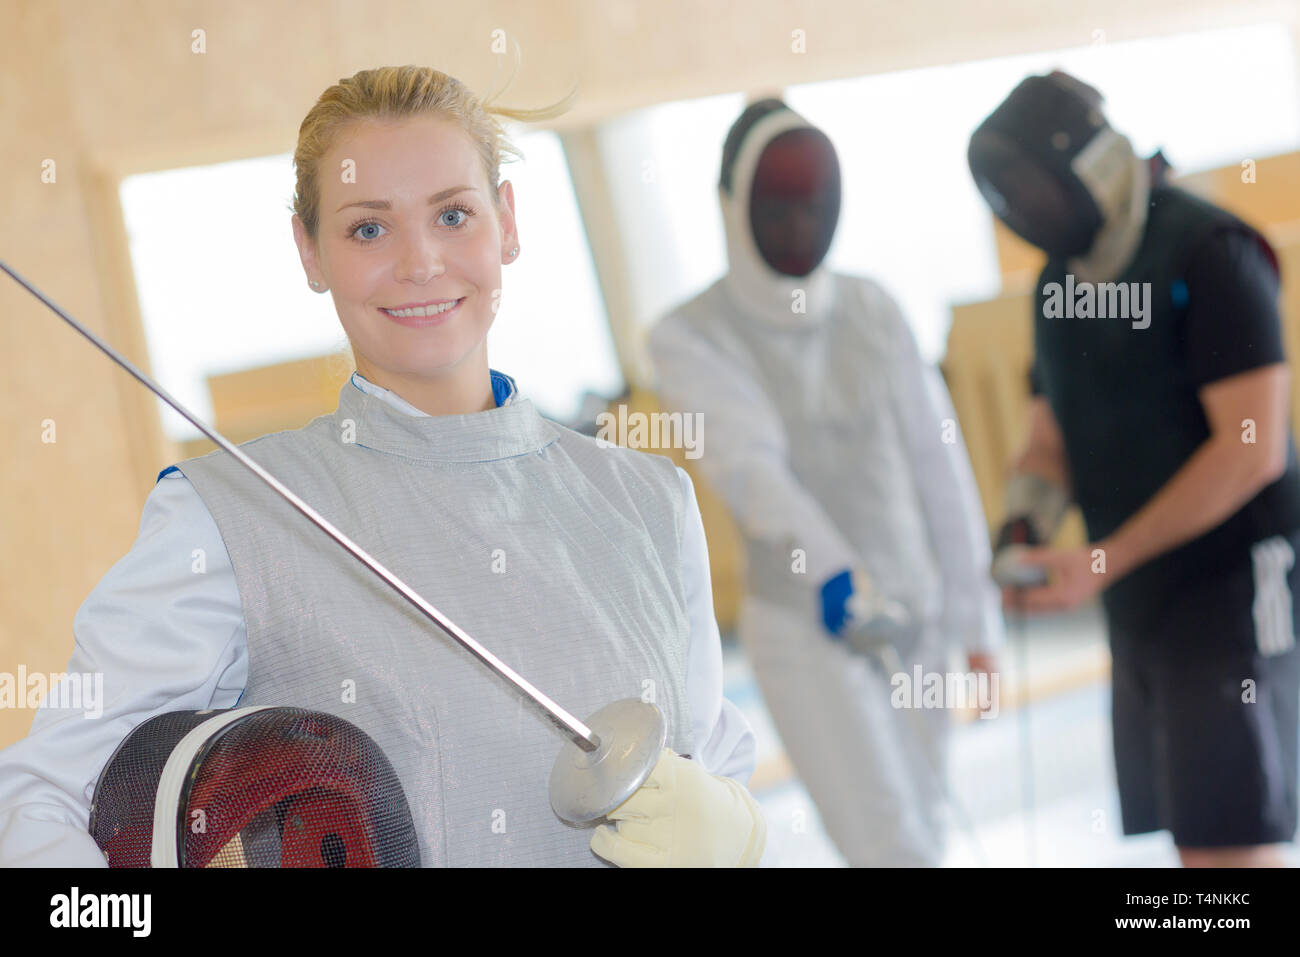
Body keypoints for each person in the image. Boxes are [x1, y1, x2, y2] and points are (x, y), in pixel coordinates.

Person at [0, 65, 764, 868]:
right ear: (310, 250)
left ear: (505, 222)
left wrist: (745, 834)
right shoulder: (232, 513)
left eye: (453, 214)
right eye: (369, 228)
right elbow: (41, 794)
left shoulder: (649, 501)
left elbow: (713, 766)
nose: (421, 261)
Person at [648, 98, 1004, 866]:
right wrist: (836, 565)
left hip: (920, 612)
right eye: (781, 204)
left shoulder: (872, 306)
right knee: (888, 843)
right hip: (812, 625)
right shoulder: (689, 332)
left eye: (815, 202)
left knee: (929, 829)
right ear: (734, 206)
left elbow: (937, 461)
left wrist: (979, 617)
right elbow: (750, 466)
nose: (801, 222)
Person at [971, 70, 1300, 867]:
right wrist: (1026, 519)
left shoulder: (1210, 252)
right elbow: (1050, 437)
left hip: (1230, 598)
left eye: (1037, 189)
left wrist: (1098, 560)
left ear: (1096, 168)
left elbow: (1252, 448)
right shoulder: (1057, 285)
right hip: (1138, 604)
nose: (1027, 213)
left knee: (1231, 852)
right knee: (1195, 847)